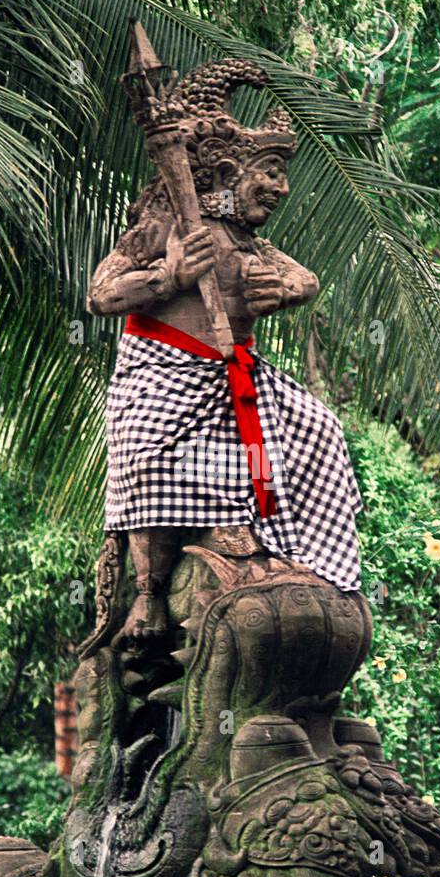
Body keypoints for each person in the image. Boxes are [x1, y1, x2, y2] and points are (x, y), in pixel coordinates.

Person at [87, 59, 363, 642]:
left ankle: (302, 546)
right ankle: (148, 593)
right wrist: (168, 275)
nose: (281, 188)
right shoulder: (164, 223)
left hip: (236, 373)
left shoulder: (247, 239)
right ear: (231, 170)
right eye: (269, 173)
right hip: (162, 372)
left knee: (319, 427)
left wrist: (289, 287)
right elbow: (102, 292)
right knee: (150, 446)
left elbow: (304, 277)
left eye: (282, 175)